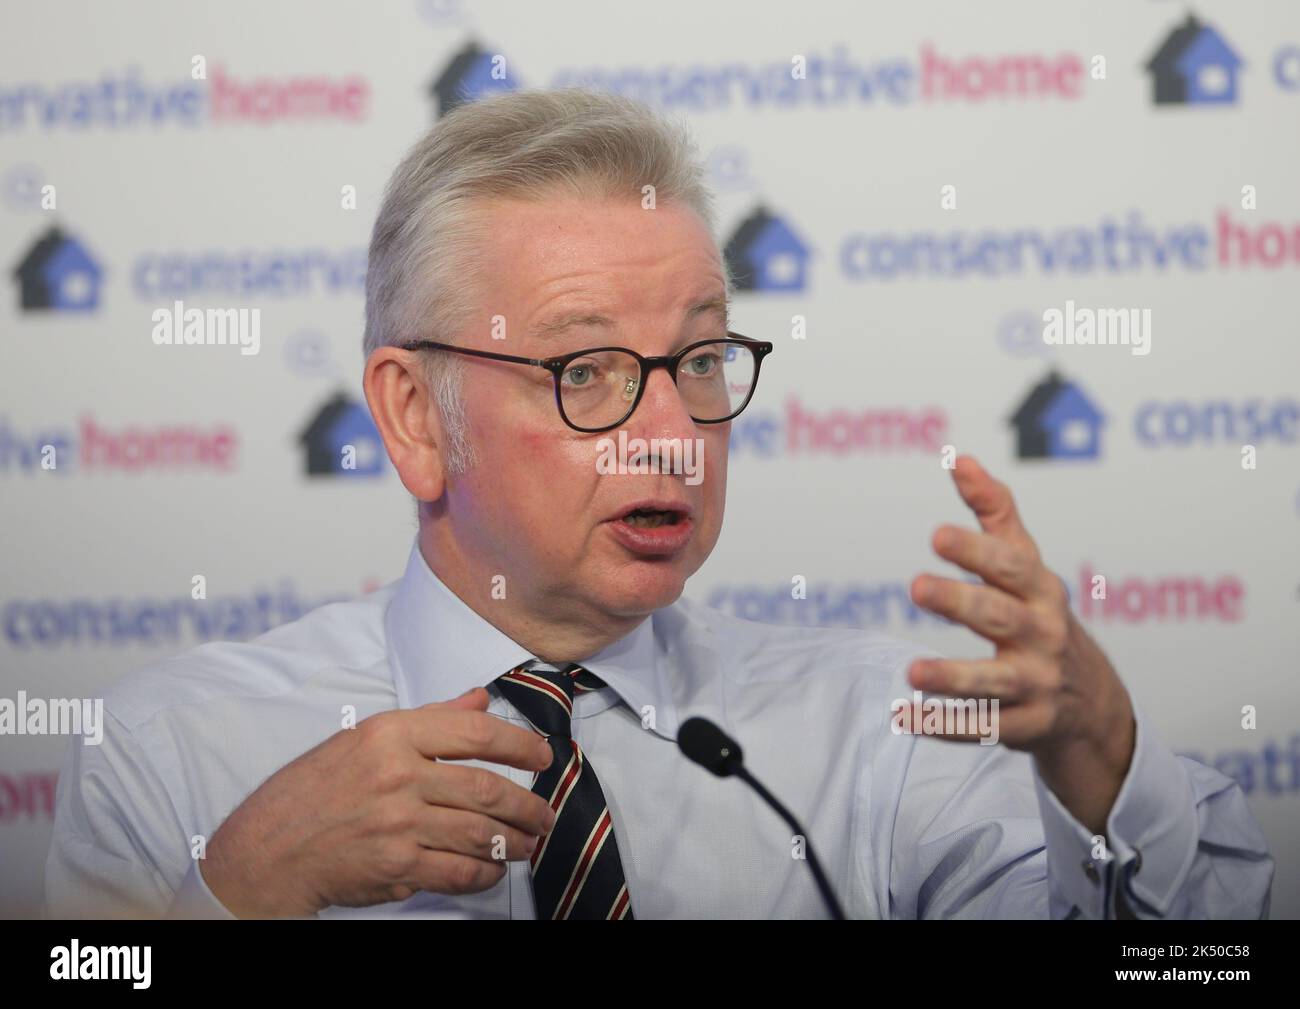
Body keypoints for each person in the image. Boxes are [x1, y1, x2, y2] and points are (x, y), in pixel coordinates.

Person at [43, 88, 1272, 919]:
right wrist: (234, 892)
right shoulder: (181, 752)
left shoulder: (882, 740)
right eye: (587, 372)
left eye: (695, 361)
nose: (676, 436)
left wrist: (1102, 755)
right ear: (417, 417)